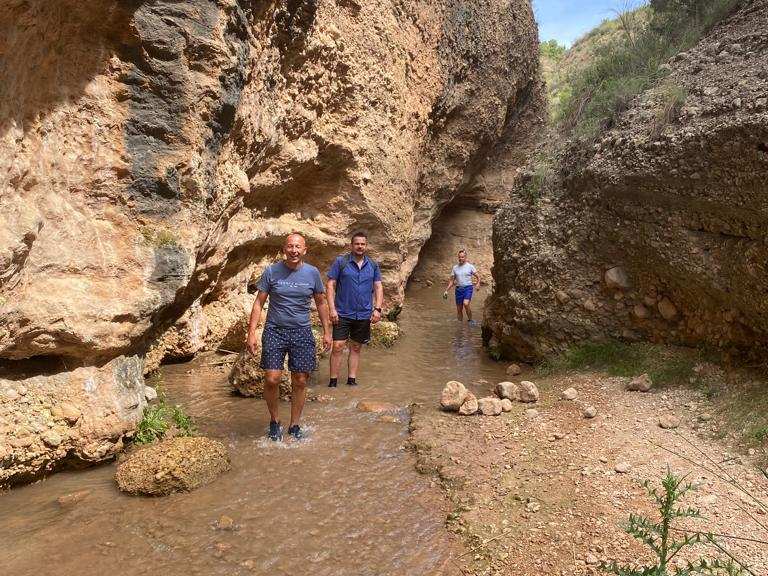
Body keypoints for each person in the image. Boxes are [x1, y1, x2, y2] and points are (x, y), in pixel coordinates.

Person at [246, 233, 332, 441]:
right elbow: (259, 303)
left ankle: (294, 425)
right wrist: (251, 333)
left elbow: (321, 303)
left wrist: (327, 332)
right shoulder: (271, 271)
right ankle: (275, 421)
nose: (294, 250)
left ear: (305, 250)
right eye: (290, 246)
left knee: (300, 380)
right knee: (272, 378)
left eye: (298, 247)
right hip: (274, 330)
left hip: (302, 331)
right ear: (284, 249)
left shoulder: (312, 273)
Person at [326, 230, 384, 387]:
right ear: (351, 245)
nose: (360, 246)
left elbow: (378, 287)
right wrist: (332, 309)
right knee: (337, 346)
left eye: (362, 244)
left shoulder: (372, 265)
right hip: (342, 312)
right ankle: (333, 382)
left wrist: (377, 309)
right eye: (357, 244)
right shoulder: (341, 262)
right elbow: (330, 285)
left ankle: (351, 380)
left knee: (357, 347)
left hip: (363, 313)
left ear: (366, 246)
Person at [443, 249, 480, 322]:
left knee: (466, 304)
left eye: (462, 257)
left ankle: (470, 320)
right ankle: (460, 324)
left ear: (465, 257)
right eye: (459, 257)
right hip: (458, 289)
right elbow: (452, 281)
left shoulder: (470, 266)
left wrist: (478, 283)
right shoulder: (455, 268)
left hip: (468, 288)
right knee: (459, 309)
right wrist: (446, 291)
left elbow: (478, 277)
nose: (460, 258)